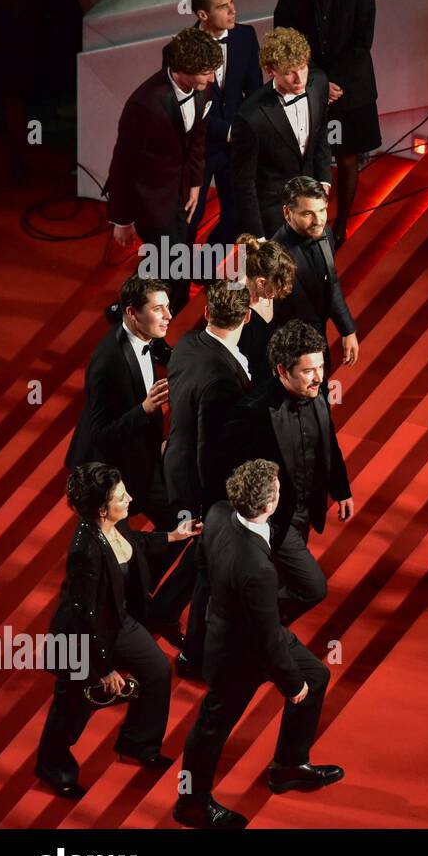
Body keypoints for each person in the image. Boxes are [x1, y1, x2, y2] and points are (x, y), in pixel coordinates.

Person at [176, 460, 341, 830]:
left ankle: (289, 766)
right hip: (238, 654)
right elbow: (267, 638)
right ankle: (191, 803)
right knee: (213, 724)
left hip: (236, 632)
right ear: (268, 505)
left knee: (316, 675)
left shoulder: (219, 513)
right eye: (278, 489)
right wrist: (289, 684)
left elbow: (203, 563)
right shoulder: (258, 570)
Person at [35, 463, 200, 799]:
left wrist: (173, 535)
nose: (130, 499)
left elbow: (134, 542)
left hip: (117, 621)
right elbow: (84, 614)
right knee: (73, 706)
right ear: (100, 508)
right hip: (80, 638)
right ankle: (52, 766)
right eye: (121, 497)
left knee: (155, 671)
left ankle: (138, 743)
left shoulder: (115, 524)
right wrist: (105, 668)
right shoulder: (85, 550)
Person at [66, 275, 195, 641]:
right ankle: (118, 631)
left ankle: (155, 606)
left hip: (142, 464)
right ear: (132, 314)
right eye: (159, 309)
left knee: (184, 524)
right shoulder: (106, 362)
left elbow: (165, 353)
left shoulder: (147, 336)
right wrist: (144, 408)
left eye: (168, 306)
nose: (169, 316)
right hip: (108, 478)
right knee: (115, 562)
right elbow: (102, 433)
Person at [222, 321, 354, 625]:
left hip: (305, 510)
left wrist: (342, 488)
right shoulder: (252, 412)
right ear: (282, 370)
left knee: (281, 581)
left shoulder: (317, 393)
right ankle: (250, 626)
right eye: (308, 371)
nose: (319, 378)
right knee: (312, 587)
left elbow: (328, 443)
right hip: (273, 519)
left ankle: (262, 637)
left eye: (320, 367)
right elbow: (229, 470)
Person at [165, 282, 253, 678]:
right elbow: (210, 447)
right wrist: (214, 502)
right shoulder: (223, 377)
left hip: (175, 462)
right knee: (207, 568)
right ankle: (194, 657)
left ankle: (160, 610)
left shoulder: (186, 344)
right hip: (203, 483)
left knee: (196, 558)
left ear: (206, 313)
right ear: (247, 317)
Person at [105, 27, 221, 312]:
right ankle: (165, 320)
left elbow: (197, 140)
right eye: (206, 72)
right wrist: (122, 219)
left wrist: (194, 181)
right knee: (173, 262)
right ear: (182, 70)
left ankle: (129, 303)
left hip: (180, 192)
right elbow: (122, 163)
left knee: (169, 257)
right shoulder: (144, 104)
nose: (212, 78)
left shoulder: (203, 90)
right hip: (150, 200)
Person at [274, 0, 380, 249]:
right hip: (306, 84)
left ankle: (341, 225)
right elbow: (286, 37)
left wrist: (334, 82)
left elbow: (362, 39)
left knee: (348, 157)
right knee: (306, 159)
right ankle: (307, 224)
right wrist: (318, 80)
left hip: (350, 86)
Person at [162, 0, 264, 247]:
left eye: (232, 2)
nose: (233, 11)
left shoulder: (246, 36)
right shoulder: (176, 51)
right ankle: (178, 286)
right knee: (188, 220)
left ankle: (206, 270)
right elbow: (182, 108)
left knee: (238, 216)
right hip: (198, 150)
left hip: (235, 149)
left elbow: (255, 92)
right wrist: (228, 131)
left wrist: (248, 131)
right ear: (202, 14)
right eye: (223, 7)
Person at [230, 27, 333, 238]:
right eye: (289, 72)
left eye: (303, 68)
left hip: (313, 205)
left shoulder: (319, 83)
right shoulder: (250, 115)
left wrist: (323, 180)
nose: (299, 79)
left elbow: (321, 134)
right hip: (274, 216)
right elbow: (244, 183)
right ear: (270, 70)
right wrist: (257, 237)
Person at [269, 176, 360, 370]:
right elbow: (269, 321)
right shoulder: (275, 256)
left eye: (322, 210)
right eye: (308, 214)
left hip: (318, 348)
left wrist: (347, 330)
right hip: (290, 360)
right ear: (287, 213)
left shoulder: (324, 232)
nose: (318, 220)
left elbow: (331, 282)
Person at [234, 233, 297, 386]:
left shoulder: (264, 274)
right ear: (261, 282)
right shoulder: (236, 308)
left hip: (272, 378)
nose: (278, 295)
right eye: (275, 289)